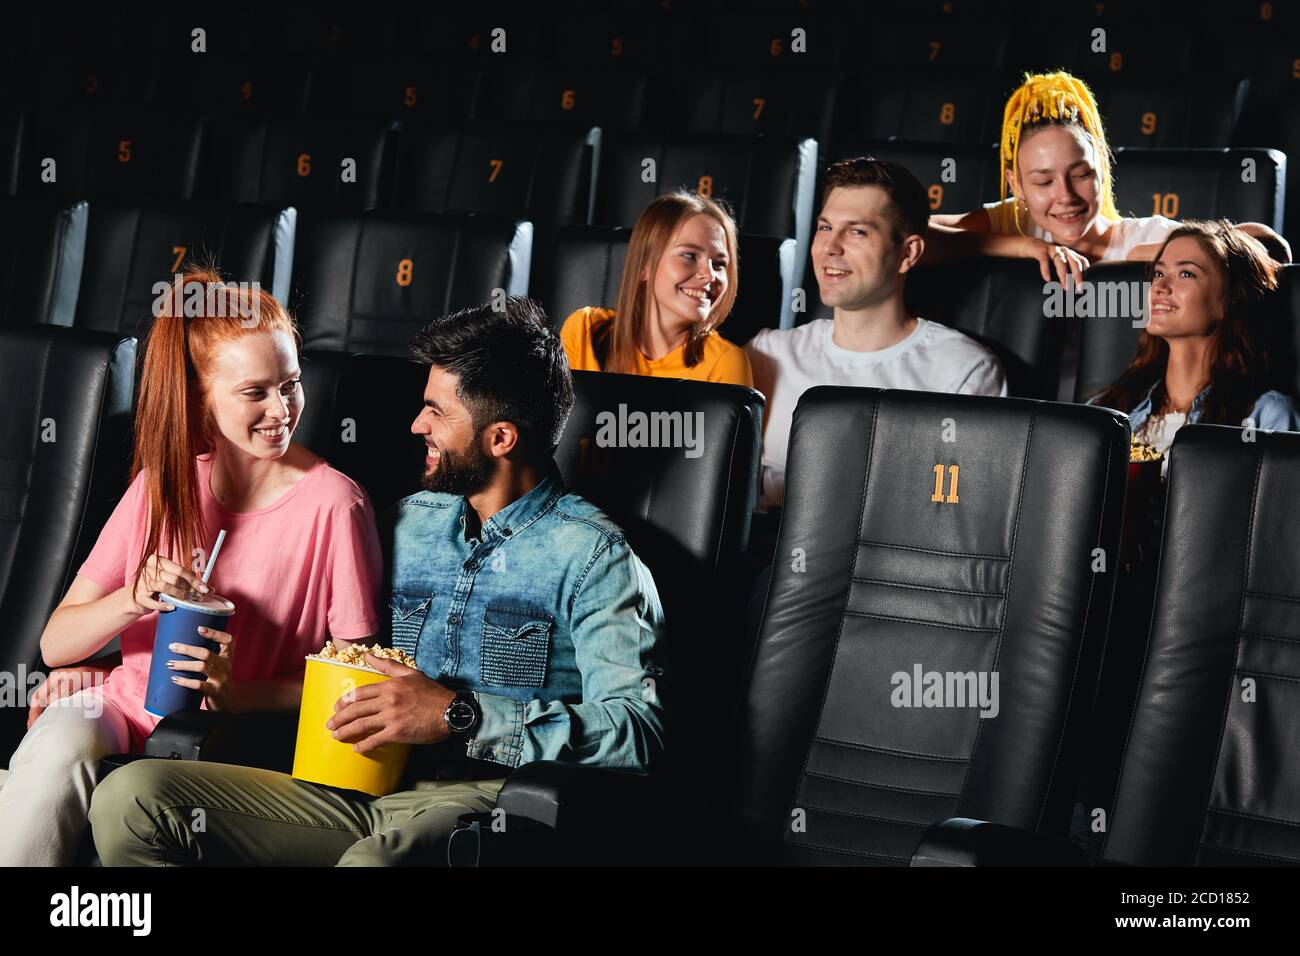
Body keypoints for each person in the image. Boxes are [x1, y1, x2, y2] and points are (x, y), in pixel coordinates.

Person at [89, 296, 668, 867]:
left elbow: (636, 734)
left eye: (437, 413)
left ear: (501, 439)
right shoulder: (409, 522)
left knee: (371, 863)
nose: (417, 425)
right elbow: (336, 657)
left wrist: (456, 714)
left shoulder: (596, 558)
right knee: (132, 799)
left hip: (484, 805)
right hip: (351, 788)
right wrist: (225, 690)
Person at [0, 266, 383, 866]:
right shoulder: (162, 484)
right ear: (202, 398)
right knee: (55, 744)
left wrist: (240, 694)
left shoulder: (336, 504)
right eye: (254, 391)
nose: (281, 409)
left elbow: (356, 684)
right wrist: (132, 598)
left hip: (238, 736)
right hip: (124, 704)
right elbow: (55, 644)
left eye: (291, 383)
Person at [745, 157, 1007, 511]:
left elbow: (961, 515)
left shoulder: (964, 372)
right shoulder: (767, 354)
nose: (830, 248)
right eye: (824, 228)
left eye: (857, 231)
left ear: (907, 253)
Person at [926, 71, 1293, 287]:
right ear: (1016, 183)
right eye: (1043, 182)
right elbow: (898, 236)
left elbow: (1271, 247)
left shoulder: (1145, 237)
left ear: (1102, 168)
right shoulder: (1009, 223)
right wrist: (1024, 248)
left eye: (1081, 174)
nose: (1065, 195)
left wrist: (1154, 257)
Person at [1091, 219, 1300, 457]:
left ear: (1228, 301)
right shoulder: (1108, 408)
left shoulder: (1266, 416)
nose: (1161, 285)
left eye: (1186, 273)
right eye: (1158, 272)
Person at [561, 190, 753, 387]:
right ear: (644, 264)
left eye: (720, 264)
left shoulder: (726, 363)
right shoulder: (584, 330)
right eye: (689, 256)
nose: (710, 275)